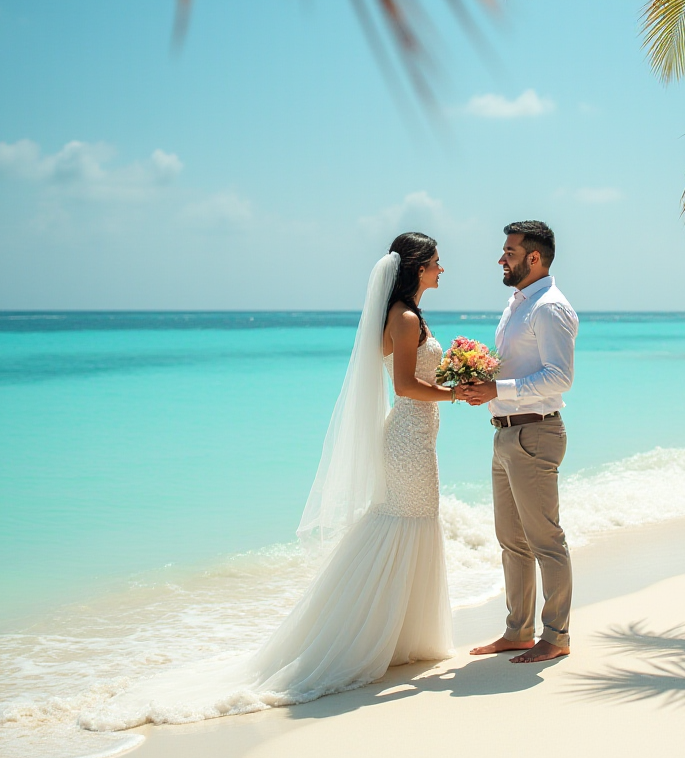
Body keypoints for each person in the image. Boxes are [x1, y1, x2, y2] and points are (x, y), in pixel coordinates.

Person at [81, 233, 459, 728]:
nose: (442, 269)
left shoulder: (405, 315)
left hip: (413, 439)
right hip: (408, 443)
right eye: (435, 262)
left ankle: (396, 636)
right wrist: (459, 394)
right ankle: (367, 640)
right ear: (415, 268)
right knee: (404, 527)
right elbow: (406, 386)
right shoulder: (406, 318)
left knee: (407, 527)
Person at [462, 220, 579, 664]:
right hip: (506, 432)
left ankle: (557, 635)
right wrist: (482, 385)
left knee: (545, 539)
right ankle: (518, 630)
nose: (501, 258)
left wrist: (499, 391)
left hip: (536, 431)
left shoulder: (549, 307)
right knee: (511, 539)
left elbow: (559, 376)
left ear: (534, 258)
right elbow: (518, 369)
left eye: (509, 251)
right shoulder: (518, 303)